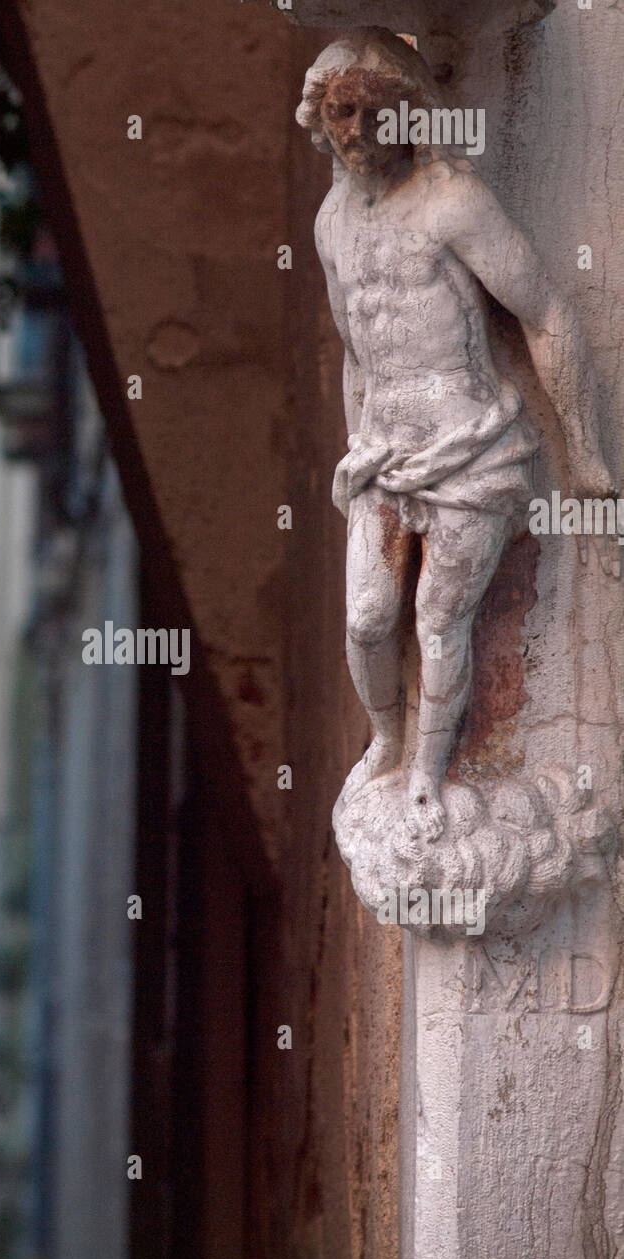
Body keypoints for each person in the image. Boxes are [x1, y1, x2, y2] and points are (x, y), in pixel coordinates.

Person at [300, 28, 613, 841]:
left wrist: (581, 449)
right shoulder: (331, 222)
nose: (357, 134)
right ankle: (388, 740)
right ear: (318, 115)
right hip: (382, 452)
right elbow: (353, 354)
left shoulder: (450, 202)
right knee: (368, 620)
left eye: (375, 114)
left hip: (469, 443)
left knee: (441, 618)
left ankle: (428, 778)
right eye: (340, 114)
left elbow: (543, 312)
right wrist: (352, 452)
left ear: (409, 116)